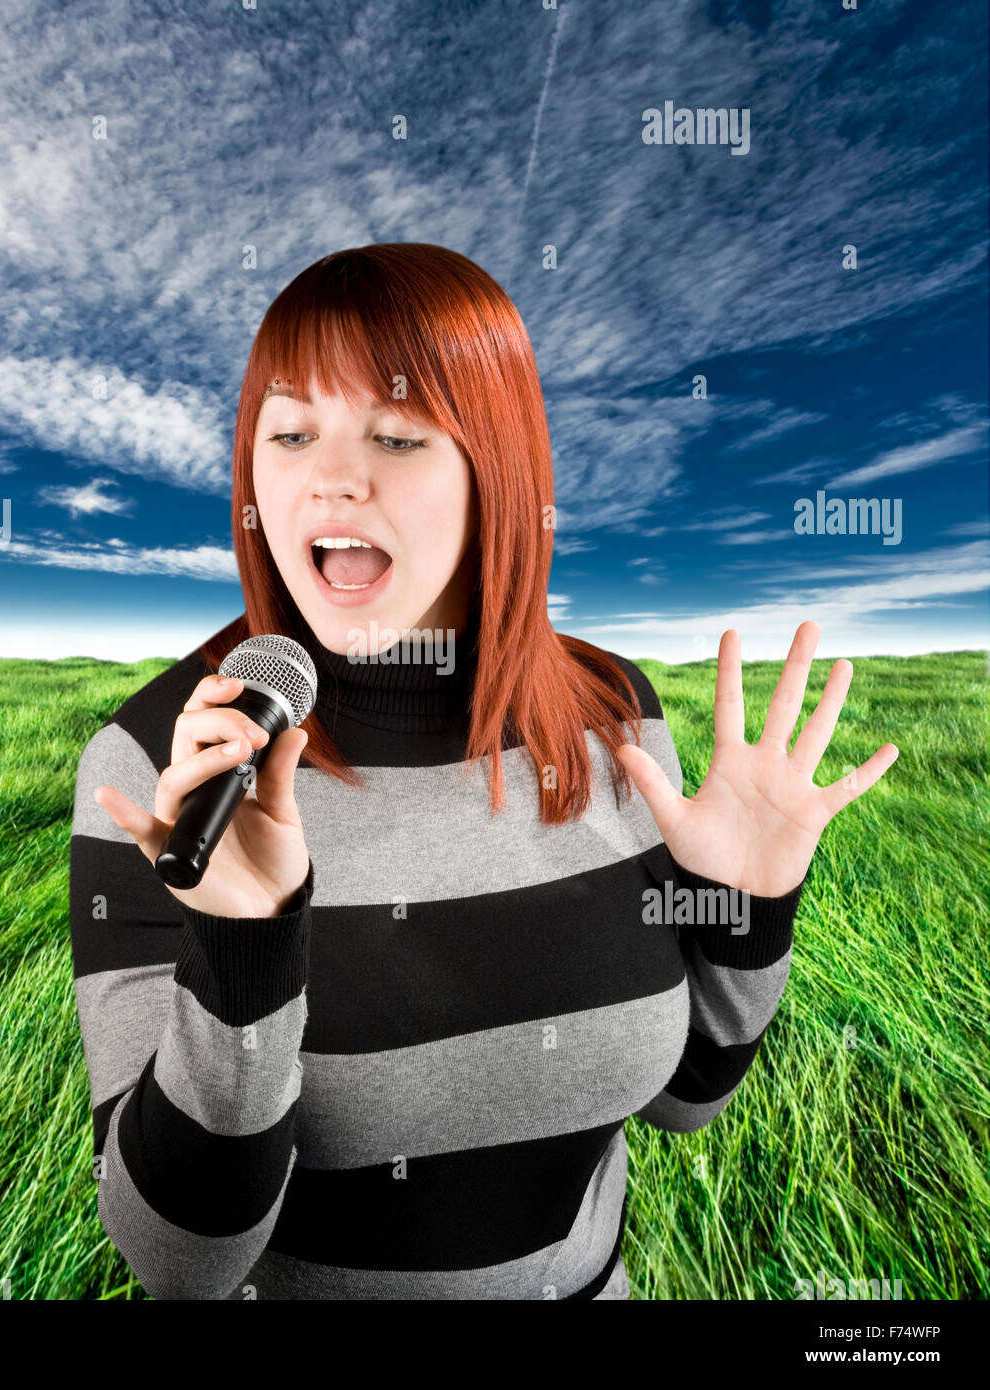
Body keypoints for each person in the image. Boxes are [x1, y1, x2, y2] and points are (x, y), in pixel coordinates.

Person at [69, 243, 897, 1300]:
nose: (329, 475)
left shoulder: (612, 716)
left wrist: (746, 906)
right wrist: (244, 957)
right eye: (288, 432)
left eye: (397, 433)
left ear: (496, 469)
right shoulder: (161, 772)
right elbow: (178, 1262)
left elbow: (684, 1096)